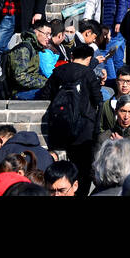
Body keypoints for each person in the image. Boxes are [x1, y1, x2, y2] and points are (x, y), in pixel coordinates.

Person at [46, 43, 105, 195]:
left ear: (72, 57)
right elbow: (99, 100)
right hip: (84, 129)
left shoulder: (58, 71)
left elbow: (46, 93)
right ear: (89, 58)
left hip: (59, 128)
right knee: (83, 170)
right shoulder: (88, 73)